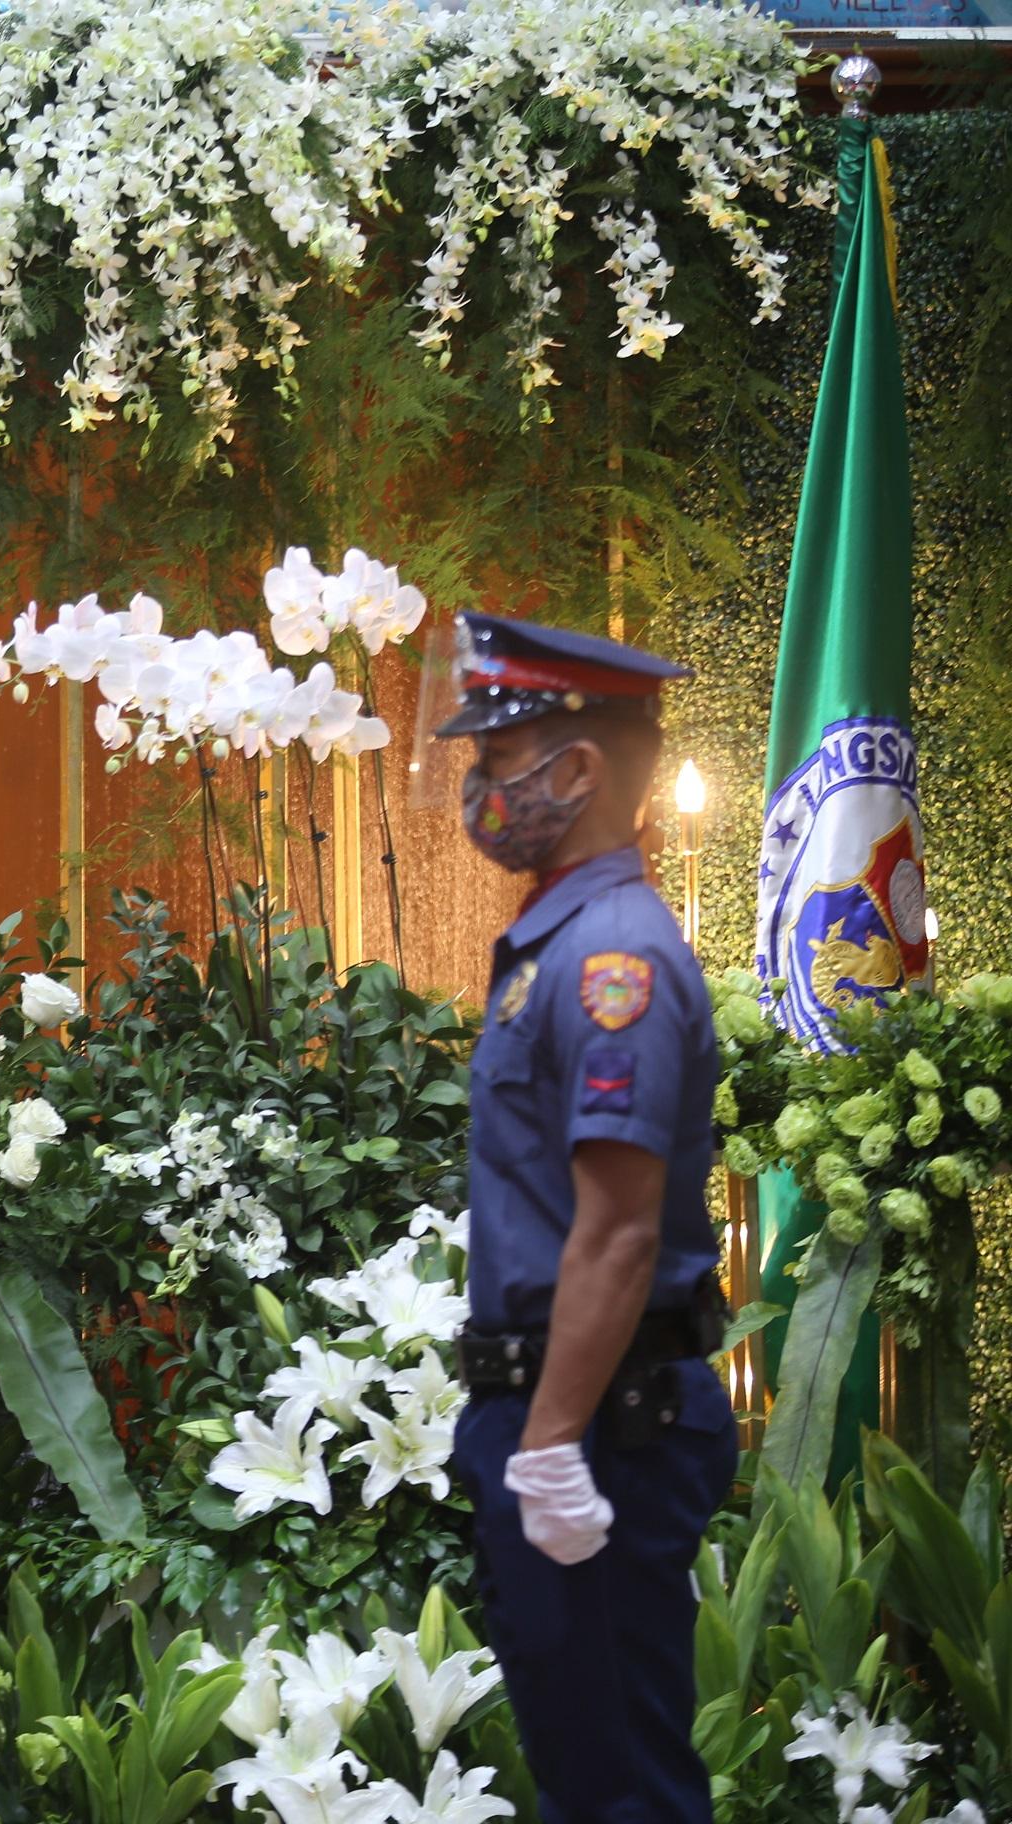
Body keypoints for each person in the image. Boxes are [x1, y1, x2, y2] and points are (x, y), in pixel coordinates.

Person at [439, 611, 734, 1824]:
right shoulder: (555, 943)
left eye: (501, 763)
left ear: (579, 771)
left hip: (600, 1429)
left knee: (623, 1790)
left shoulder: (615, 958)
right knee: (586, 1770)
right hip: (560, 1415)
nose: (480, 791)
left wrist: (552, 1449)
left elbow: (616, 1231)